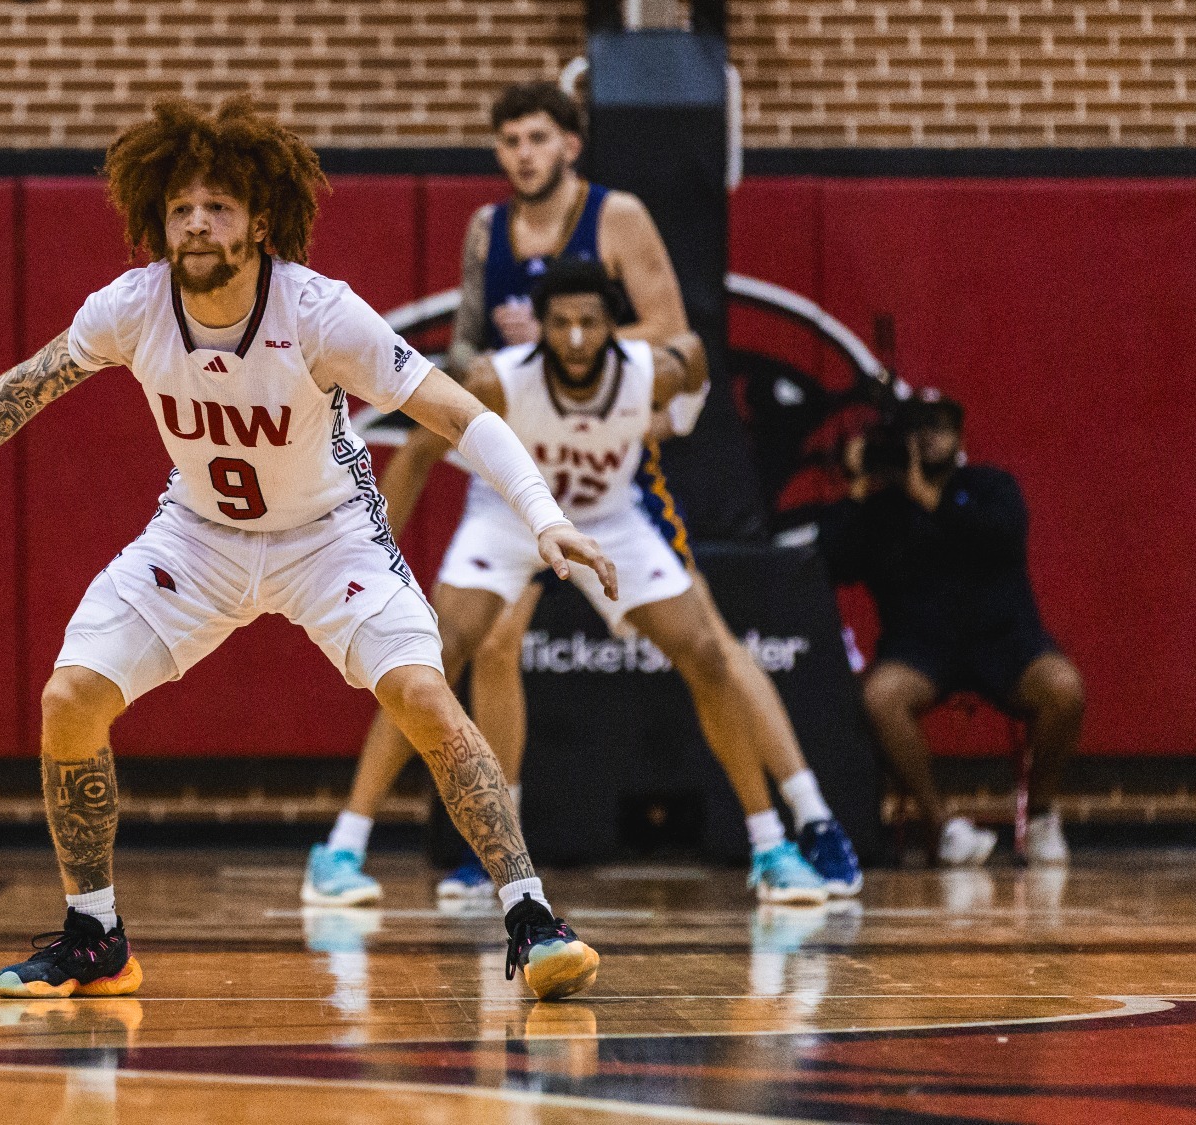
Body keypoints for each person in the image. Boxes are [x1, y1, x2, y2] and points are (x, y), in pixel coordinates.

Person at [0, 96, 617, 1001]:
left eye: (220, 207)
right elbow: (24, 387)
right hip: (199, 533)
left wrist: (543, 514)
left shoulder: (320, 312)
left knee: (423, 694)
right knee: (70, 697)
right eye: (181, 208)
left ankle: (532, 917)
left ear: (261, 224)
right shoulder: (133, 304)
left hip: (329, 535)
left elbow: (460, 413)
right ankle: (95, 935)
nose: (197, 223)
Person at [305, 84, 862, 907]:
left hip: (608, 480)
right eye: (509, 140)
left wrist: (589, 344)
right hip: (514, 472)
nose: (522, 154)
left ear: (570, 144)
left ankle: (802, 822)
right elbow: (461, 358)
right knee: (459, 646)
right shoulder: (488, 232)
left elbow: (680, 340)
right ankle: (451, 846)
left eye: (537, 138)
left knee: (708, 643)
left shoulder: (617, 221)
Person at [799, 393, 1083, 866]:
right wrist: (855, 487)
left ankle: (1039, 816)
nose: (928, 437)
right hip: (921, 648)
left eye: (940, 426)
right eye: (917, 427)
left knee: (1064, 687)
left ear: (960, 436)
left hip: (1004, 640)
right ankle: (942, 826)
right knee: (880, 697)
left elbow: (999, 536)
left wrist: (927, 496)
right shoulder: (881, 507)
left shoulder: (991, 486)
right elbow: (831, 561)